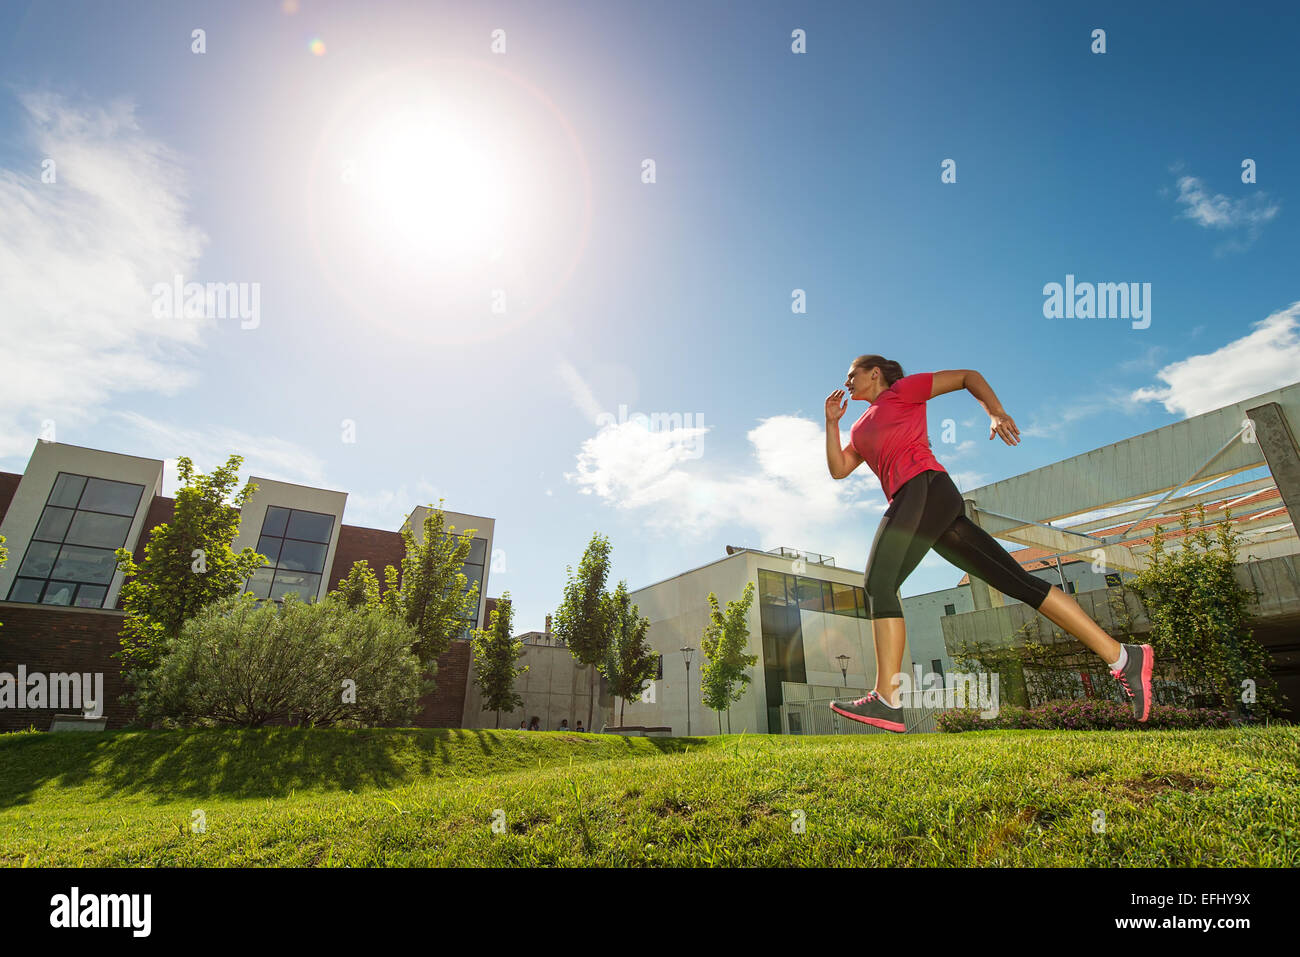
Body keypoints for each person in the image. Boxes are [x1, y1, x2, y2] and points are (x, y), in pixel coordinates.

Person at [825, 355, 1154, 733]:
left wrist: (995, 413)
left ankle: (887, 698)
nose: (847, 382)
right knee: (1021, 584)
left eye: (852, 375)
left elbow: (968, 376)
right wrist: (832, 423)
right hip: (926, 503)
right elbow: (839, 469)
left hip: (924, 487)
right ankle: (1122, 656)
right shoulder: (858, 428)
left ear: (875, 373)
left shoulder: (903, 391)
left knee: (879, 584)